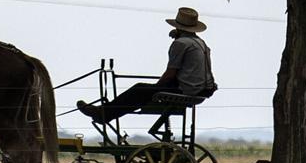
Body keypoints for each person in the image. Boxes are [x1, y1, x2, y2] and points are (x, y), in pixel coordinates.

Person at [77, 7, 218, 123]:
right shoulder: (200, 43)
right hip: (200, 90)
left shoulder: (180, 43)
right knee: (143, 90)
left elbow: (171, 73)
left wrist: (156, 89)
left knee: (139, 90)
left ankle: (103, 114)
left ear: (178, 27)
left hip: (187, 90)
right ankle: (104, 112)